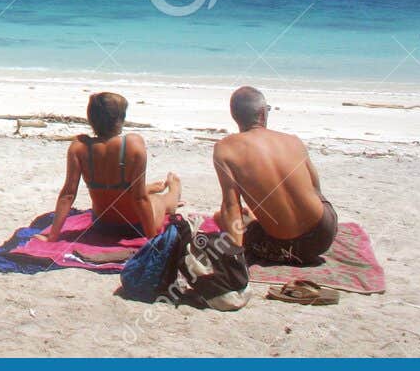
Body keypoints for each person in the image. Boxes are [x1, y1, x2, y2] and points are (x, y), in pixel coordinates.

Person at [212, 86, 337, 265]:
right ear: (263, 114)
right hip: (325, 233)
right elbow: (316, 190)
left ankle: (261, 221)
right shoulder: (293, 141)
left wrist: (235, 258)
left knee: (219, 217)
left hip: (284, 247)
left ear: (235, 117)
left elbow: (231, 207)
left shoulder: (225, 149)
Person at [37, 91, 182, 242]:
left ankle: (150, 188)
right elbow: (140, 198)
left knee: (128, 191)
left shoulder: (79, 147)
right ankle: (174, 187)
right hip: (135, 226)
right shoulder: (132, 144)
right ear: (119, 120)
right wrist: (152, 241)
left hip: (102, 225)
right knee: (160, 201)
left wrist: (52, 237)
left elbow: (67, 195)